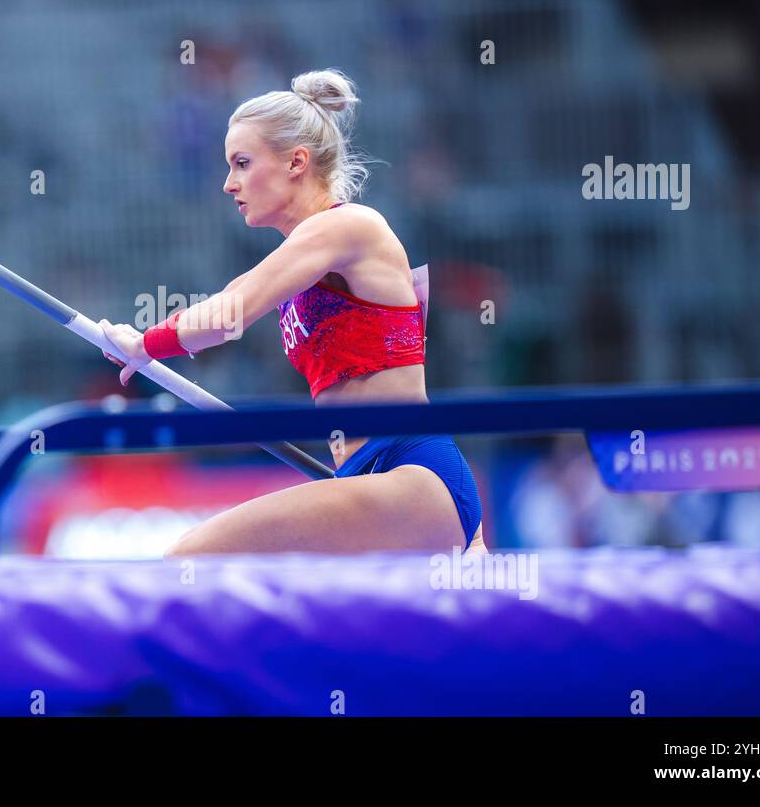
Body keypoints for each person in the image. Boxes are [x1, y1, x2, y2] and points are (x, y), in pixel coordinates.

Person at [100, 69, 485, 556]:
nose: (228, 184)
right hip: (368, 475)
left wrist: (144, 346)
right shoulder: (299, 263)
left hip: (409, 471)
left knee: (188, 560)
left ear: (296, 162)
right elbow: (228, 300)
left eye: (241, 163)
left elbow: (227, 316)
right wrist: (150, 344)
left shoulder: (350, 227)